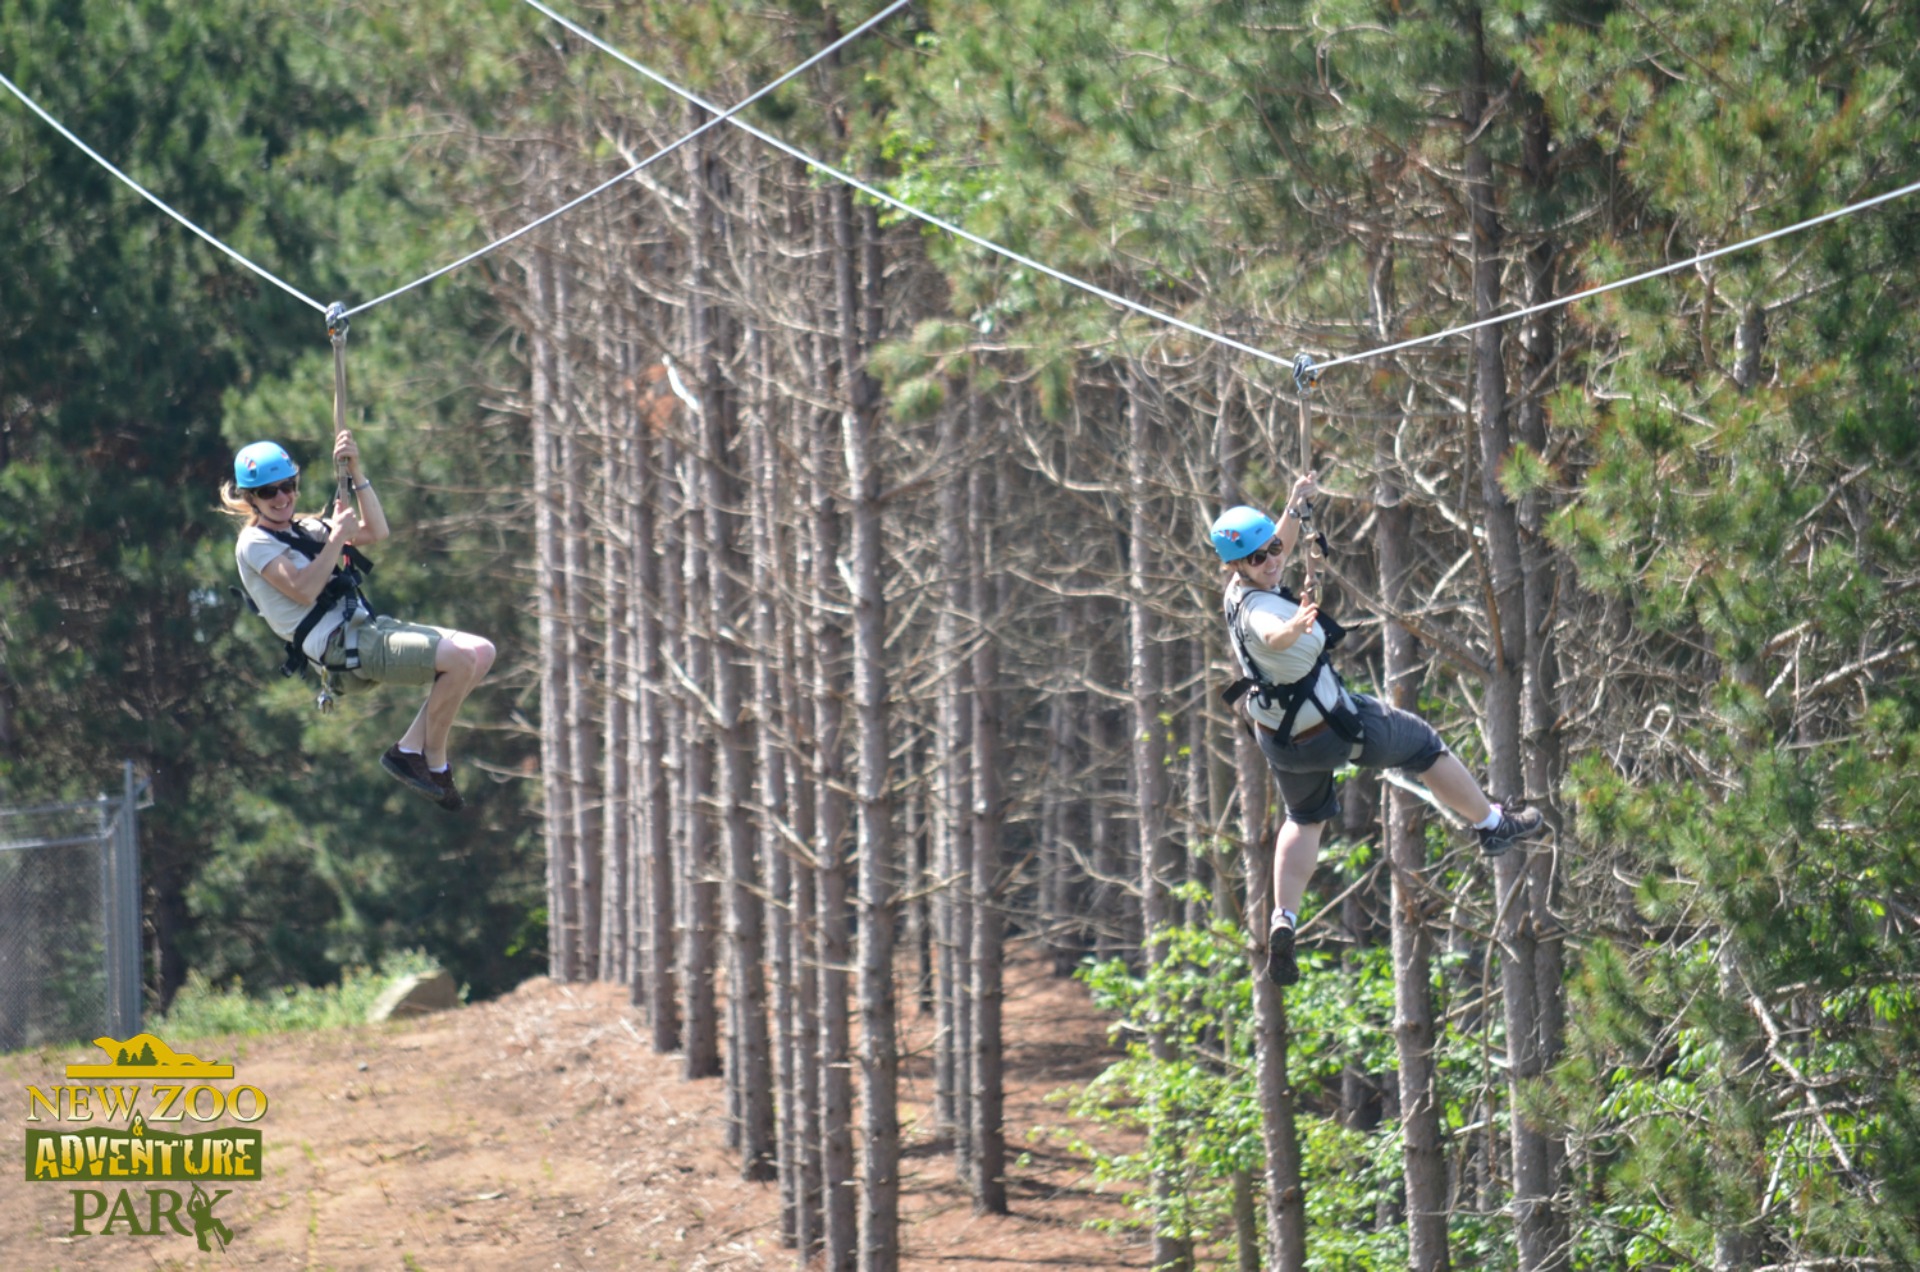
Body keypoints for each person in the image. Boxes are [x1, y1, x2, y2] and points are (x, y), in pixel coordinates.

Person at [1213, 474, 1545, 987]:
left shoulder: (1240, 590)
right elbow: (1272, 636)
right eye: (1258, 558)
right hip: (1331, 727)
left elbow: (1275, 545)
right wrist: (1296, 627)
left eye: (1273, 548)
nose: (1272, 559)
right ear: (1236, 566)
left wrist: (1294, 505)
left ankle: (1284, 919)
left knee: (1304, 818)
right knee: (1423, 745)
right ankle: (1490, 825)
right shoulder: (1259, 612)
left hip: (1280, 740)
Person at [222, 431, 495, 811]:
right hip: (339, 648)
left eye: (289, 486)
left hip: (363, 628)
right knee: (458, 660)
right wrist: (336, 539)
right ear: (251, 498)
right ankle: (435, 763)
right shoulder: (254, 543)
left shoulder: (306, 530)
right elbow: (303, 589)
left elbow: (377, 531)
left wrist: (357, 473)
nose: (283, 498)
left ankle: (409, 750)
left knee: (481, 652)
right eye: (270, 492)